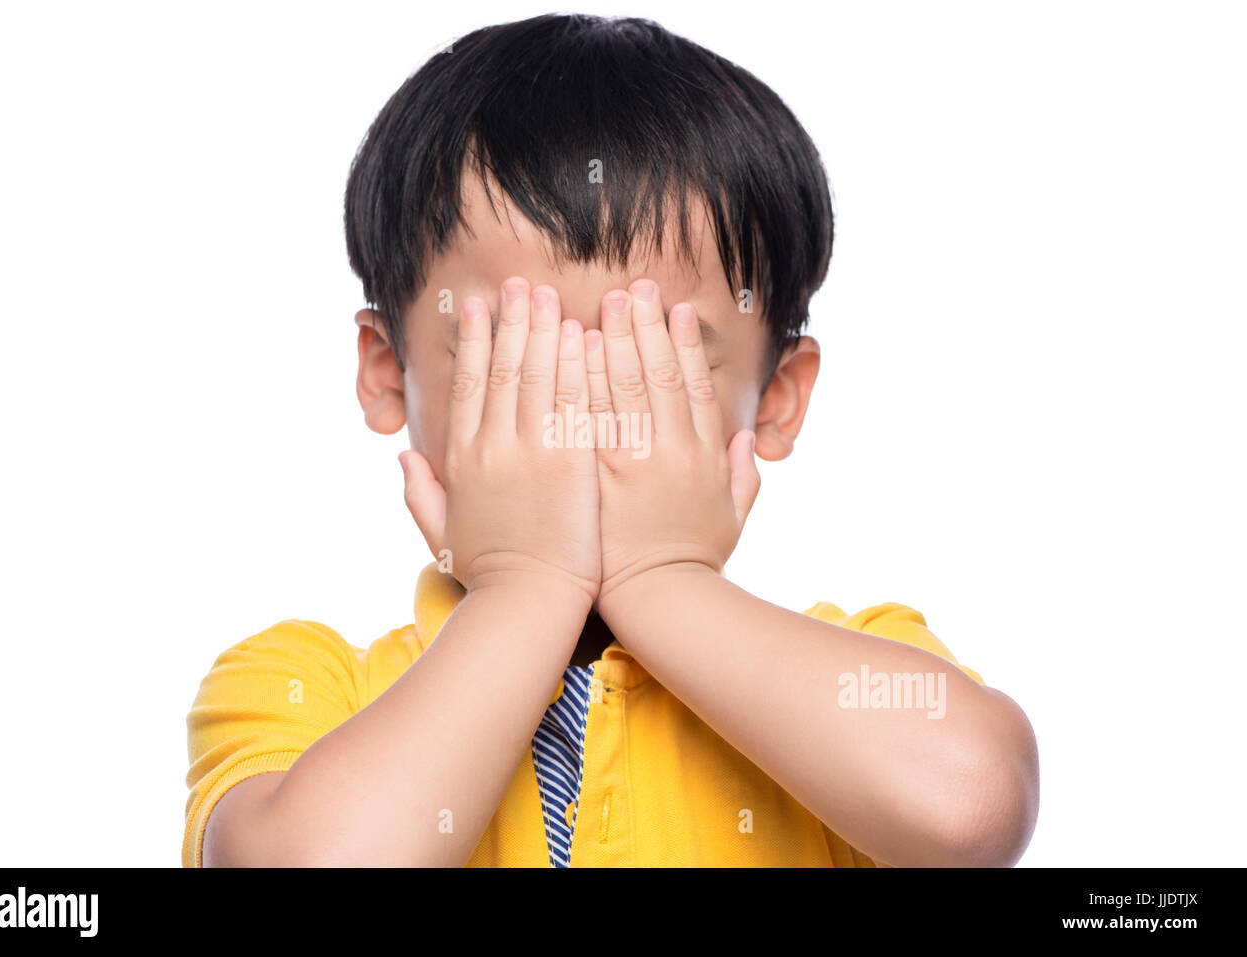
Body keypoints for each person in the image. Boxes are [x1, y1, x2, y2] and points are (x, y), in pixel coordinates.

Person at [183, 13, 1038, 867]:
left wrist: (663, 580)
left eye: (655, 352)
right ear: (384, 370)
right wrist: (524, 588)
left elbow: (972, 808)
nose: (586, 403)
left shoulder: (855, 669)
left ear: (777, 398)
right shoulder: (308, 684)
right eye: (516, 346)